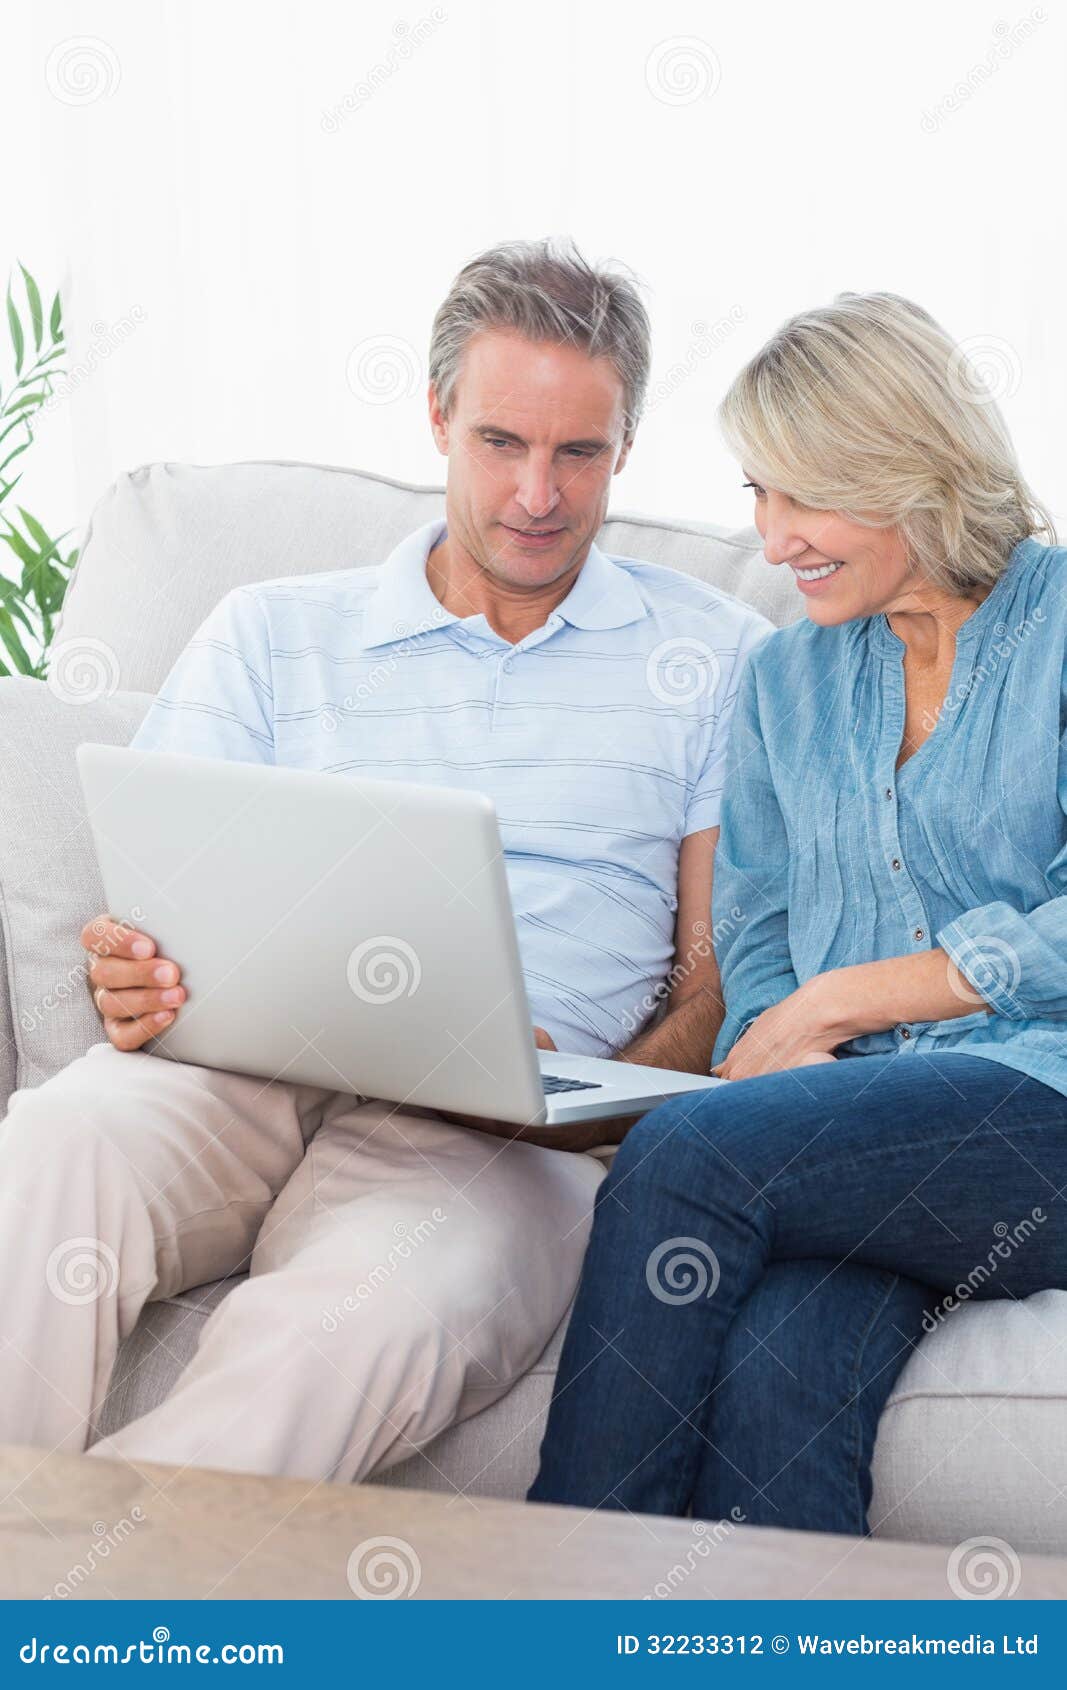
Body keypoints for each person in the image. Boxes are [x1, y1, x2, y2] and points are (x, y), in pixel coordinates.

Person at [0, 239, 769, 1483]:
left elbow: (714, 982)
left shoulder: (715, 657)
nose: (536, 493)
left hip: (509, 1139)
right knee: (58, 1141)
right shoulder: (273, 633)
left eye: (578, 452)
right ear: (436, 418)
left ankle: (86, 1610)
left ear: (625, 443)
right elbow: (146, 908)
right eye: (500, 443)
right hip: (239, 1070)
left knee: (355, 1325)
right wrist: (128, 968)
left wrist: (590, 1092)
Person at [529, 291, 1067, 1536]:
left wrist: (858, 996)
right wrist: (795, 1038)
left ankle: (544, 1611)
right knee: (780, 1366)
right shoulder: (785, 680)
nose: (771, 541)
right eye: (754, 496)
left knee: (687, 1155)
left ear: (907, 472)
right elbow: (761, 941)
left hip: (1041, 1114)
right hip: (865, 1148)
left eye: (798, 496)